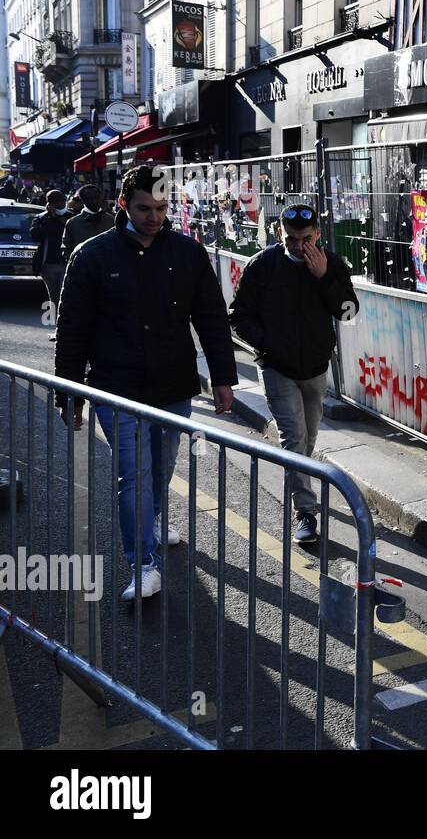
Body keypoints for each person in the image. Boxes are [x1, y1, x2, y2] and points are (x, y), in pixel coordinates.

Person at [55, 165, 237, 601]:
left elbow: (211, 318)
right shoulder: (91, 256)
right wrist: (70, 393)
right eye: (144, 209)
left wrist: (223, 379)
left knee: (162, 467)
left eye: (160, 208)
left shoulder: (188, 253)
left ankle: (153, 522)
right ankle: (144, 564)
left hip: (173, 386)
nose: (154, 217)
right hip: (116, 388)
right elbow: (72, 329)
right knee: (133, 476)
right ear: (123, 205)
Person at [228, 203, 358, 545]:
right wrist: (268, 344)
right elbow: (238, 315)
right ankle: (305, 512)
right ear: (278, 235)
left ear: (317, 233)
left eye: (307, 238)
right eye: (292, 239)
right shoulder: (262, 266)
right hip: (276, 368)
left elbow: (348, 311)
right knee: (294, 438)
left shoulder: (332, 264)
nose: (300, 246)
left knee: (308, 437)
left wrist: (324, 277)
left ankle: (303, 486)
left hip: (315, 368)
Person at [30, 190, 72, 341]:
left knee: (65, 296)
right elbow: (36, 234)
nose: (60, 205)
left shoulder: (71, 216)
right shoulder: (41, 218)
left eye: (61, 202)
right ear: (49, 204)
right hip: (48, 264)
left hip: (67, 263)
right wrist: (50, 217)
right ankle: (58, 329)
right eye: (55, 202)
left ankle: (68, 329)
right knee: (53, 298)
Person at [61, 185, 115, 261]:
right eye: (89, 198)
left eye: (97, 197)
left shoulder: (112, 220)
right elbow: (66, 248)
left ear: (101, 198)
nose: (94, 201)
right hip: (83, 269)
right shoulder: (73, 222)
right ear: (82, 200)